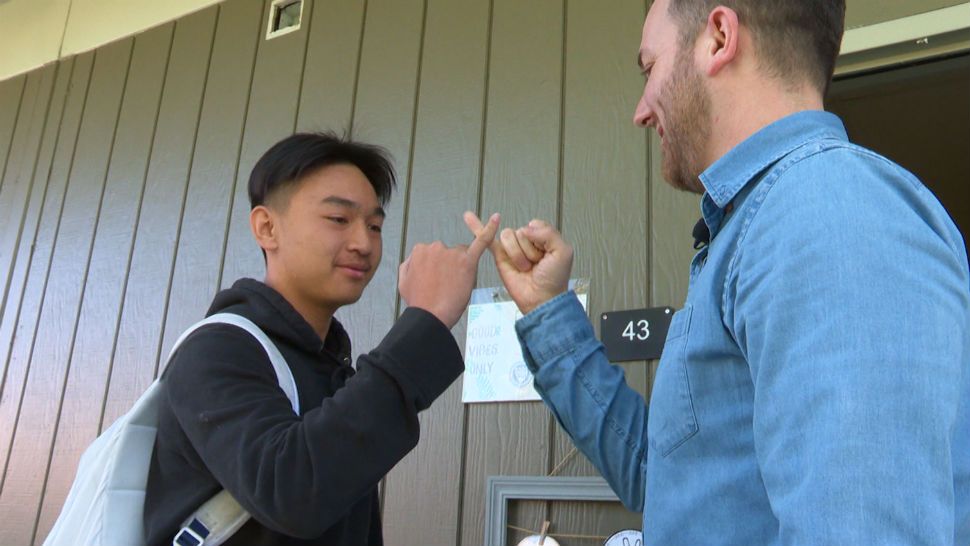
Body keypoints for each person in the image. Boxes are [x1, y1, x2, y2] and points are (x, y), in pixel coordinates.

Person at [468, 0, 970, 544]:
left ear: (718, 37)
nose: (640, 110)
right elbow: (666, 481)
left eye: (649, 68)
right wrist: (548, 311)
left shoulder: (831, 209)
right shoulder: (760, 224)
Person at [144, 132, 499, 545]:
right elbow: (291, 491)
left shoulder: (329, 364)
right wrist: (427, 318)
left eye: (375, 225)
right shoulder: (217, 349)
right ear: (266, 227)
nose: (363, 243)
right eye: (338, 219)